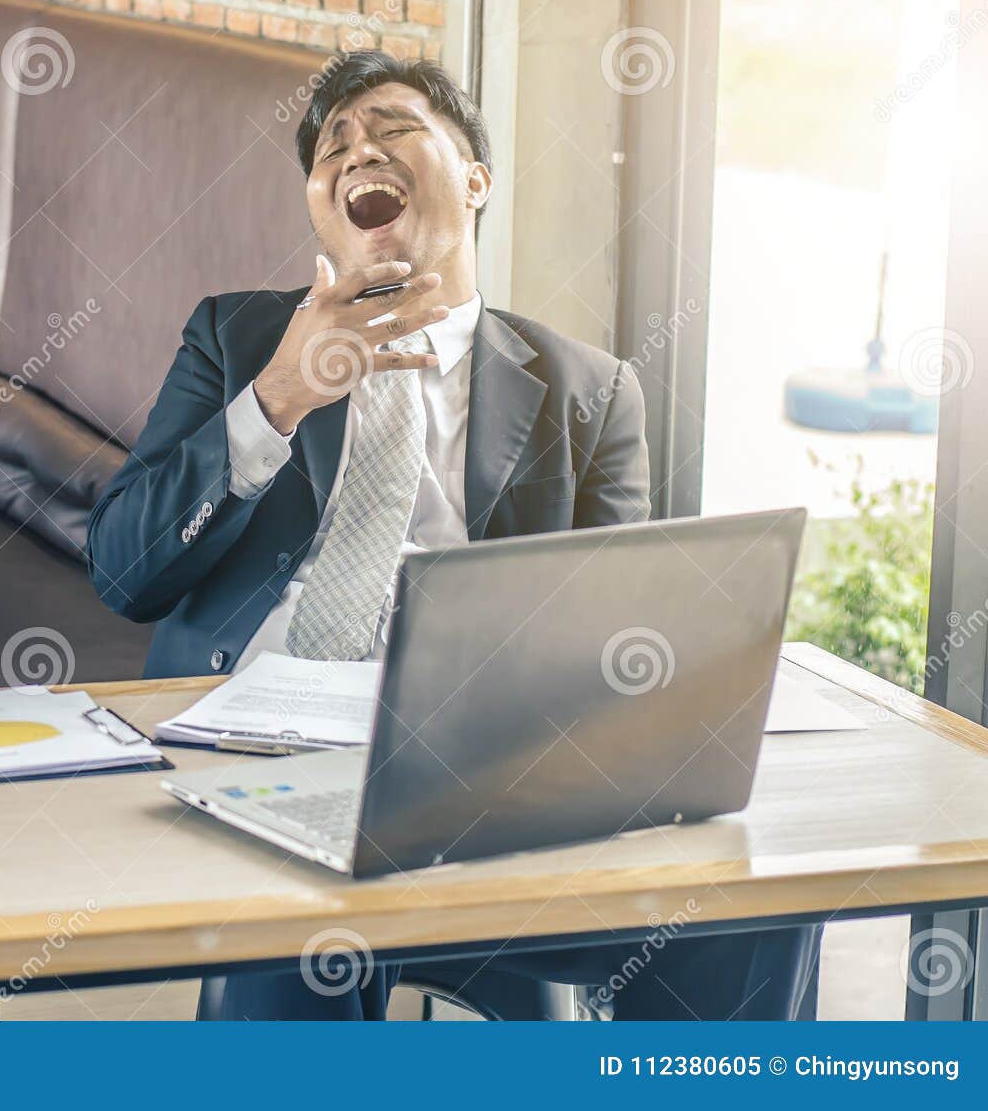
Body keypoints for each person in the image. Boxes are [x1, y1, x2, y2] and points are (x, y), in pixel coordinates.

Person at [85, 50, 816, 1020]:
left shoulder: (588, 391)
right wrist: (281, 396)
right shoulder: (233, 339)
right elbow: (122, 571)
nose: (356, 152)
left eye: (390, 129)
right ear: (318, 206)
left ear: (473, 181)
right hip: (260, 761)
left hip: (487, 780)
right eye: (332, 145)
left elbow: (608, 643)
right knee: (297, 928)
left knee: (748, 903)